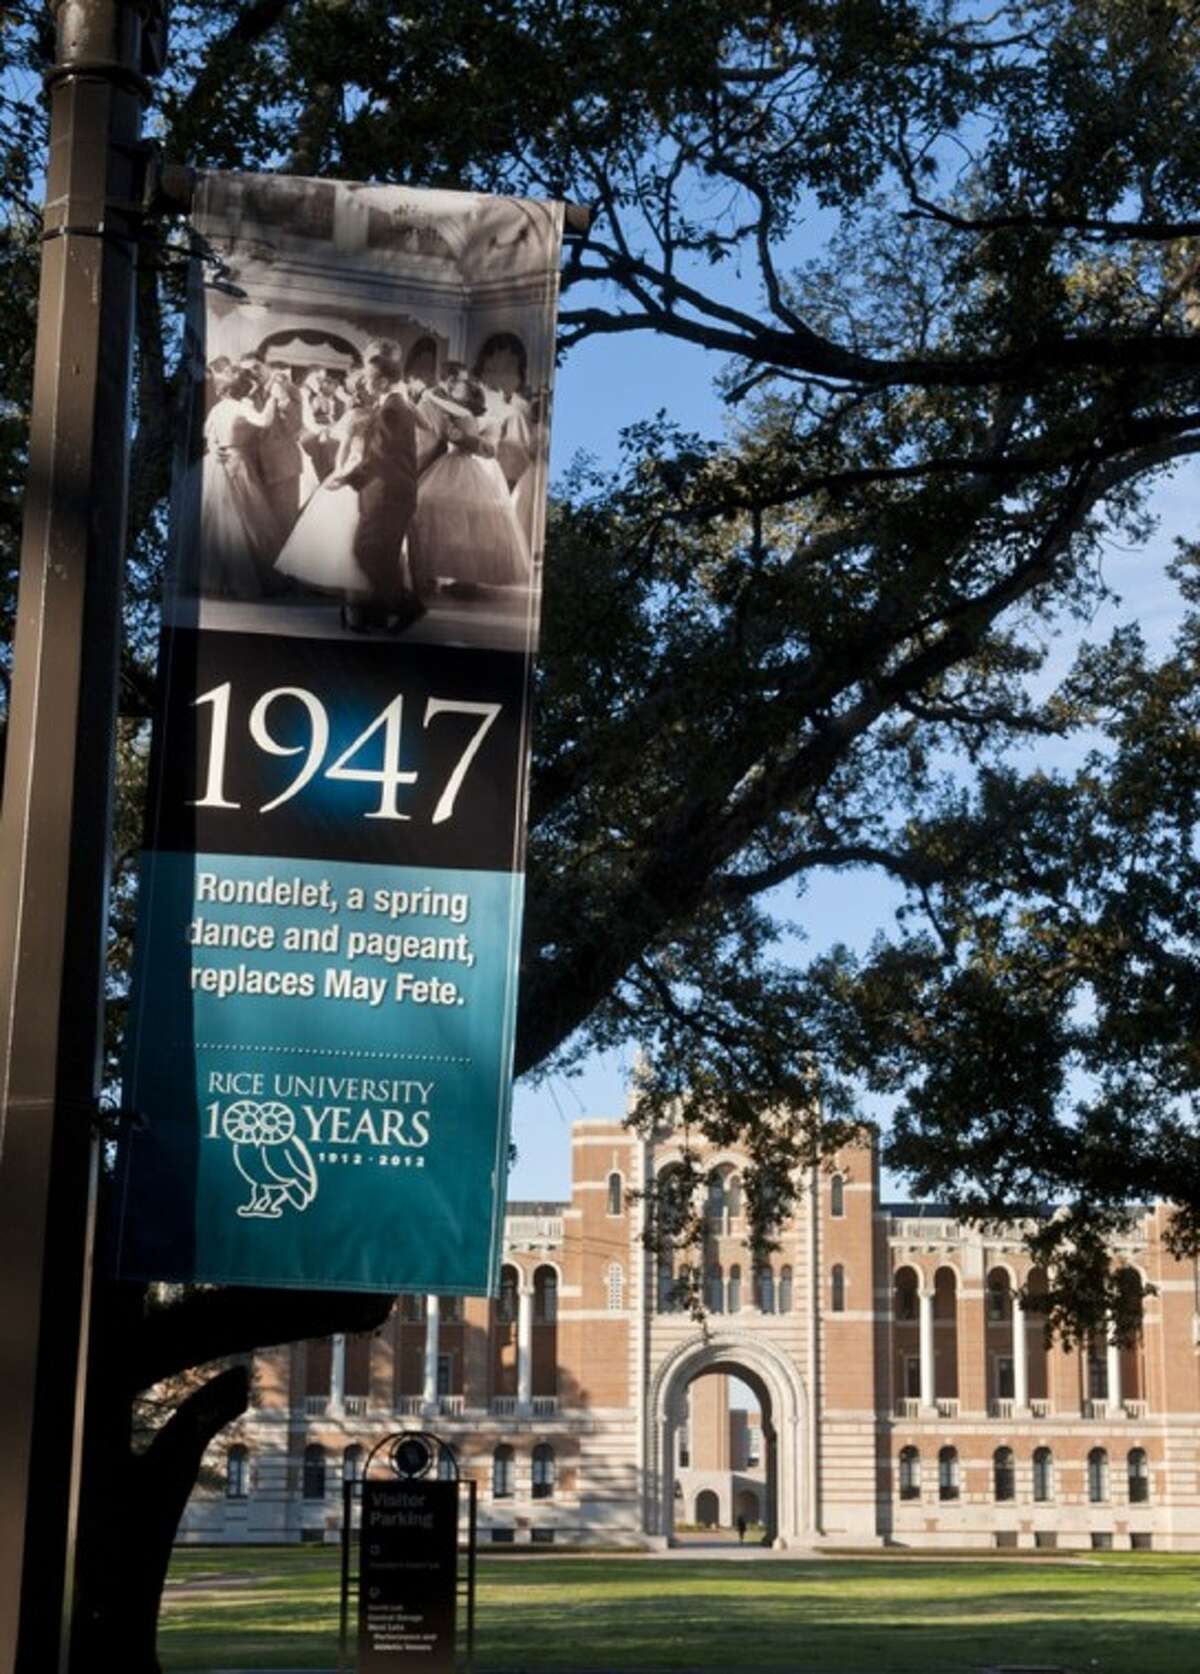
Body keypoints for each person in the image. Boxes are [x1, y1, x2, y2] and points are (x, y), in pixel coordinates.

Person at [406, 365, 532, 596]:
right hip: (457, 464)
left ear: (466, 397)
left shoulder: (465, 415)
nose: (453, 393)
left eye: (458, 391)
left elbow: (461, 436)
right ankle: (453, 576)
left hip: (460, 465)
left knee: (455, 519)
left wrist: (430, 396)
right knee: (452, 519)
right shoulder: (464, 414)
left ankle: (461, 578)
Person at [339, 338, 425, 632]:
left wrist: (349, 478)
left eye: (370, 379)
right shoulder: (393, 404)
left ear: (384, 381)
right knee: (383, 555)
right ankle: (382, 611)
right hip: (393, 491)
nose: (366, 383)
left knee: (366, 550)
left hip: (387, 493)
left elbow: (380, 456)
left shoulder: (392, 409)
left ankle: (407, 605)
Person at [272, 369, 376, 597]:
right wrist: (340, 471)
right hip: (355, 466)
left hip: (367, 469)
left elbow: (342, 442)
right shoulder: (357, 414)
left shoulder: (373, 413)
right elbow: (343, 446)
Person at [199, 366, 283, 597]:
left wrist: (215, 449)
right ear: (240, 388)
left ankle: (214, 580)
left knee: (218, 520)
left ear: (223, 389)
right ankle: (242, 580)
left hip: (216, 461)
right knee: (243, 517)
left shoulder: (217, 408)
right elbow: (264, 421)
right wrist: (273, 398)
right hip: (237, 460)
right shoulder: (241, 407)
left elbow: (210, 436)